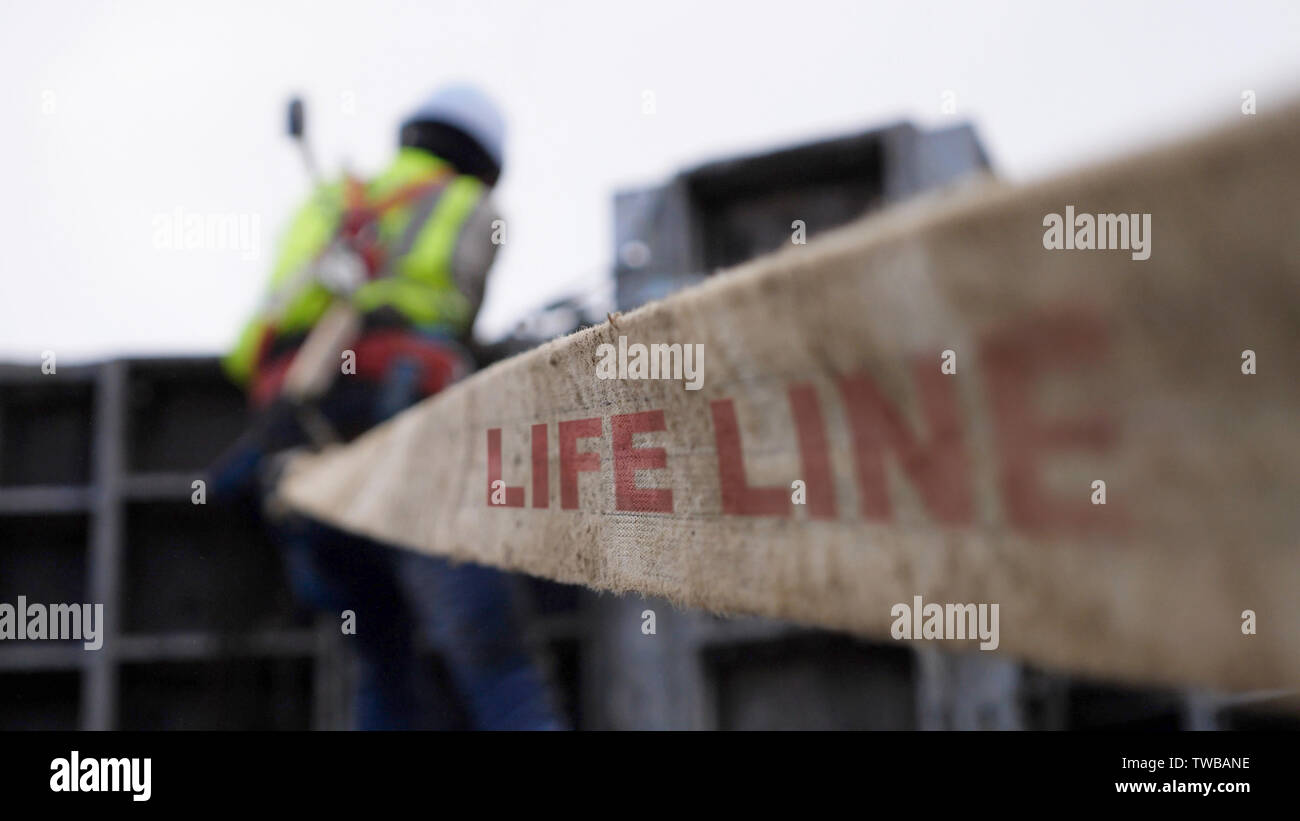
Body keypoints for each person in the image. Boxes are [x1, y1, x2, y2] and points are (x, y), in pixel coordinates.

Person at [220, 85, 566, 730]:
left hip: (302, 462)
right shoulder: (471, 206)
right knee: (497, 662)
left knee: (381, 656)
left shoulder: (327, 200)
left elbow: (248, 352)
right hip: (408, 440)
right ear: (483, 161)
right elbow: (455, 318)